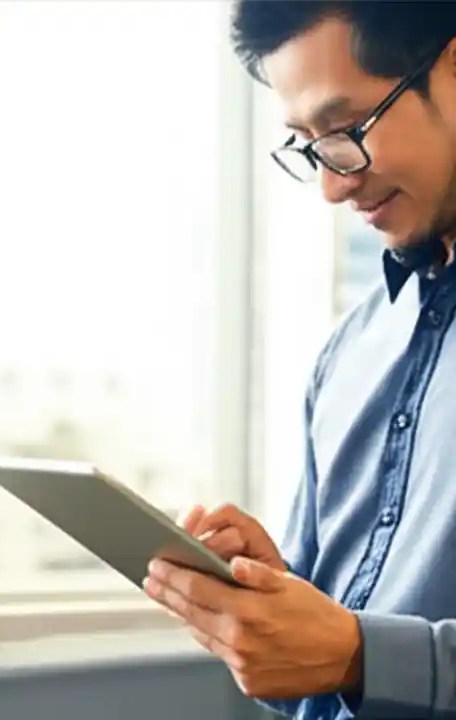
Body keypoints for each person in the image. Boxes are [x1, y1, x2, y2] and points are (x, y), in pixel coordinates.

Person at [140, 2, 456, 719]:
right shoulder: (348, 355)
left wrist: (356, 652)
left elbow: (352, 654)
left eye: (346, 132)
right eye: (308, 145)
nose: (334, 183)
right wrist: (279, 610)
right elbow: (322, 678)